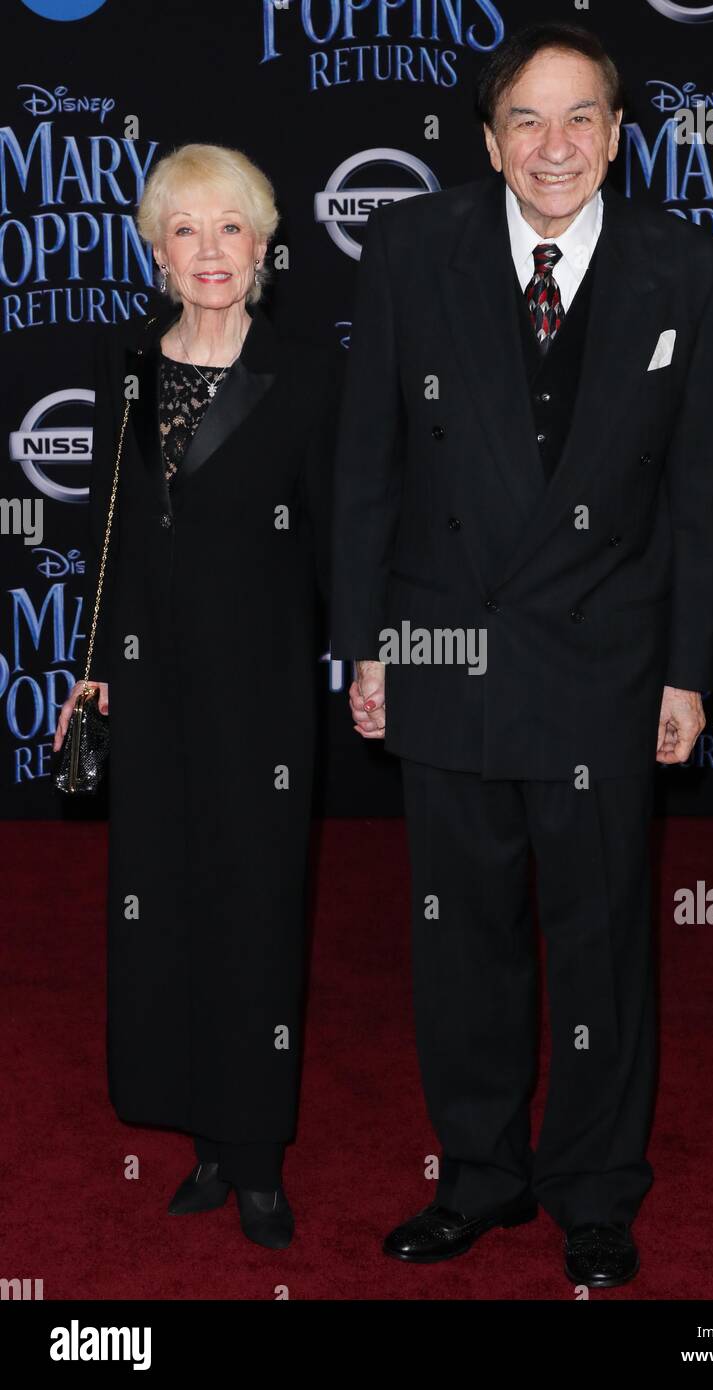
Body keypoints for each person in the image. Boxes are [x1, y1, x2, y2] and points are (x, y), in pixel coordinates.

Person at [330, 23, 713, 1285]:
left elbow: (700, 495)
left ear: (619, 135)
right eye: (524, 118)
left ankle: (594, 1188)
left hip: (605, 660)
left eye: (579, 119)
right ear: (487, 136)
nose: (552, 147)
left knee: (602, 933)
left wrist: (685, 669)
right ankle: (478, 1174)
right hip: (447, 642)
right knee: (462, 935)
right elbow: (368, 465)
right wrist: (365, 646)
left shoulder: (688, 268)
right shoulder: (409, 247)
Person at [54, 143, 339, 1250]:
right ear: (156, 249)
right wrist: (91, 663)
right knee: (163, 901)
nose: (210, 251)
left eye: (232, 228)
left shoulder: (308, 373)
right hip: (145, 679)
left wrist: (361, 655)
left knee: (254, 908)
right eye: (187, 229)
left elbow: (336, 537)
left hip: (260, 690)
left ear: (264, 247)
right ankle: (205, 1143)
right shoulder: (126, 367)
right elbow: (109, 525)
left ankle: (259, 1153)